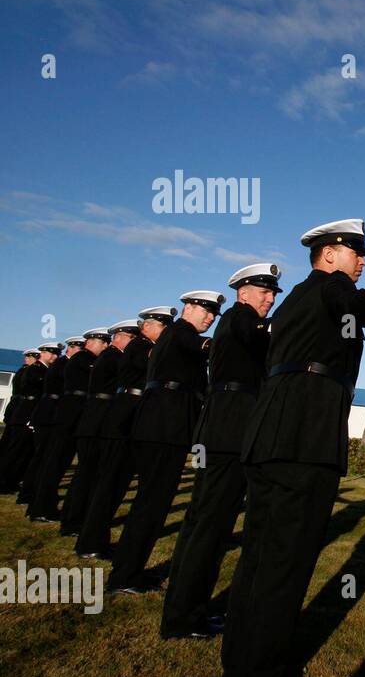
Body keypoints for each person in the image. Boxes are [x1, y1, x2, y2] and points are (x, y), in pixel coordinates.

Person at [220, 222, 365, 677]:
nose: (362, 264)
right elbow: (360, 306)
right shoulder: (332, 289)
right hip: (303, 441)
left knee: (258, 561)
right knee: (284, 568)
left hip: (272, 436)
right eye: (357, 255)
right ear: (330, 254)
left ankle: (241, 675)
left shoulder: (297, 299)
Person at [162, 263, 280, 640]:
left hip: (222, 430)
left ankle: (185, 611)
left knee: (204, 524)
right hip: (228, 433)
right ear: (243, 292)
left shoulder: (239, 323)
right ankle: (184, 617)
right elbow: (259, 333)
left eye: (273, 292)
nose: (270, 298)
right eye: (264, 291)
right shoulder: (238, 318)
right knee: (209, 527)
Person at [106, 292, 223, 594]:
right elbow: (204, 348)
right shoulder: (180, 332)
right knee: (151, 505)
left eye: (213, 314)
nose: (209, 318)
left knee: (151, 503)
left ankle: (129, 571)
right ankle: (125, 576)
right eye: (205, 311)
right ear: (188, 308)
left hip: (163, 426)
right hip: (164, 428)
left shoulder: (174, 336)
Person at [76, 307, 173, 559]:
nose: (165, 332)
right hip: (124, 419)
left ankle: (94, 539)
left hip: (132, 417)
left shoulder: (141, 346)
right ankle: (91, 542)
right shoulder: (139, 347)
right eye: (162, 327)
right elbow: (151, 362)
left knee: (116, 484)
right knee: (110, 483)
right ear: (146, 328)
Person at [56, 327, 117, 536]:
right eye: (100, 342)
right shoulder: (87, 359)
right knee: (86, 473)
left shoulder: (97, 358)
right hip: (94, 420)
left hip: (92, 419)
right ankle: (73, 520)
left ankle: (72, 517)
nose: (103, 346)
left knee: (86, 472)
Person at [22, 338, 79, 519]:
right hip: (51, 415)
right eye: (51, 353)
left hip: (52, 414)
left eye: (56, 353)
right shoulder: (64, 365)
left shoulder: (62, 364)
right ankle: (36, 500)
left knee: (45, 459)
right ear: (71, 349)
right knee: (46, 460)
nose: (54, 356)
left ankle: (33, 497)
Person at [0, 349, 44, 493]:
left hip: (17, 410)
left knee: (11, 446)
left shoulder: (24, 370)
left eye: (30, 357)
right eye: (28, 357)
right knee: (14, 448)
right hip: (21, 410)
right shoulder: (29, 371)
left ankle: (9, 478)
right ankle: (6, 479)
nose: (27, 359)